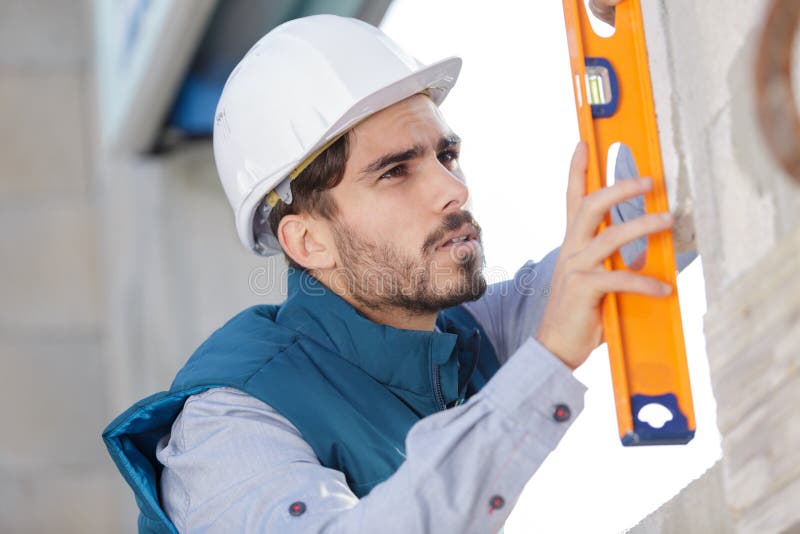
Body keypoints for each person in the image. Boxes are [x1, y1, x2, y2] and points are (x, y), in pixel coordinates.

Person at [103, 2, 690, 532]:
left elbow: (659, 215)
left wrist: (654, 28)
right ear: (308, 241)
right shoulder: (227, 425)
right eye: (394, 171)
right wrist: (548, 362)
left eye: (446, 155)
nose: (452, 189)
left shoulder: (458, 335)